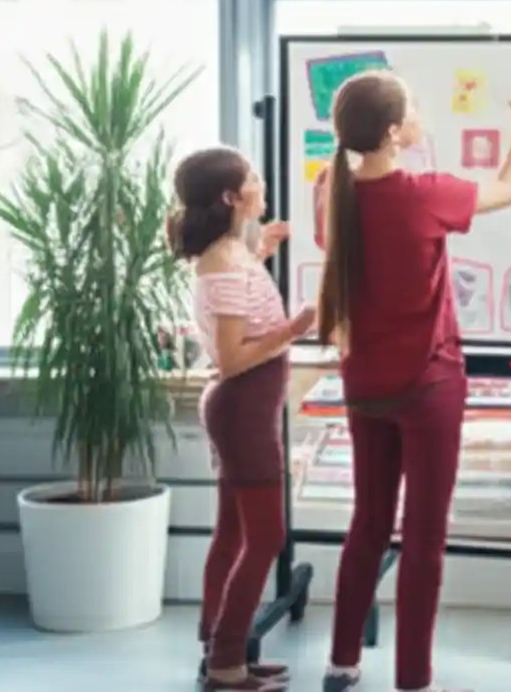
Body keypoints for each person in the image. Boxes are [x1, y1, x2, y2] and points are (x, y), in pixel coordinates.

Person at [316, 70, 511, 692]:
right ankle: (413, 681)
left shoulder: (328, 189)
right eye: (414, 106)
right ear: (393, 133)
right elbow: (506, 189)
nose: (422, 114)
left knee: (367, 526)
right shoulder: (424, 194)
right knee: (423, 540)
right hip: (429, 386)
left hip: (365, 384)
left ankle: (341, 663)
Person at [169, 147, 315, 692]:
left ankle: (218, 647)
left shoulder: (230, 251)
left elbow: (240, 303)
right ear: (231, 197)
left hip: (242, 409)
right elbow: (233, 357)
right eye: (252, 178)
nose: (261, 182)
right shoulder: (226, 261)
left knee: (233, 533)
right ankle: (228, 661)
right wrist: (294, 329)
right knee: (266, 535)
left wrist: (263, 249)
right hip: (244, 408)